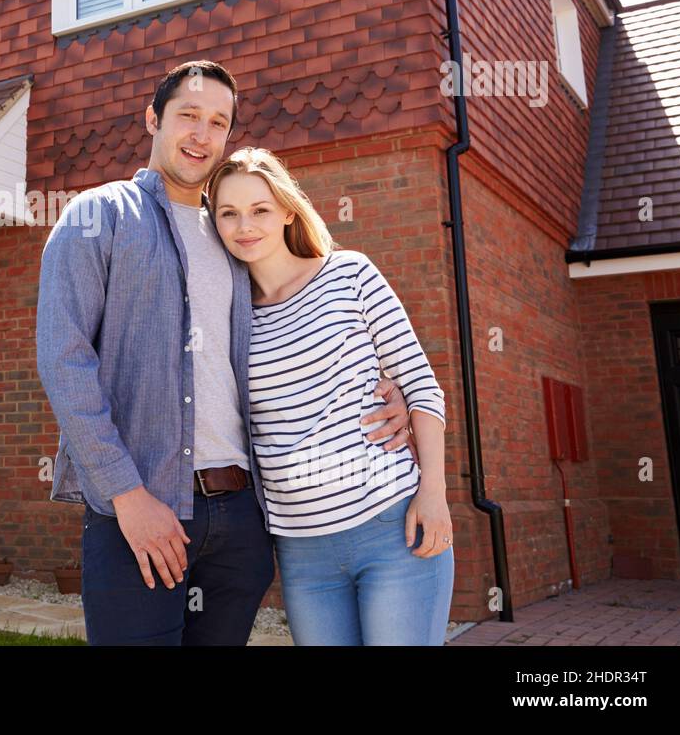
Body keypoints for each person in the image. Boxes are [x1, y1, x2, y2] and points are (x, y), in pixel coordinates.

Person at [35, 59, 416, 645]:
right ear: (152, 119)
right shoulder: (99, 217)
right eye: (188, 115)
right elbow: (63, 360)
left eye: (218, 122)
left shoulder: (234, 233)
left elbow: (299, 331)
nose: (202, 134)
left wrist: (391, 393)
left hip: (240, 518)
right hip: (139, 512)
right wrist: (127, 497)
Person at [207, 146, 454, 645]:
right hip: (301, 551)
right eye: (228, 213)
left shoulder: (349, 275)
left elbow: (422, 386)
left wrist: (434, 494)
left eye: (259, 210)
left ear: (287, 212)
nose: (243, 226)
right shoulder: (229, 317)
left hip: (392, 527)